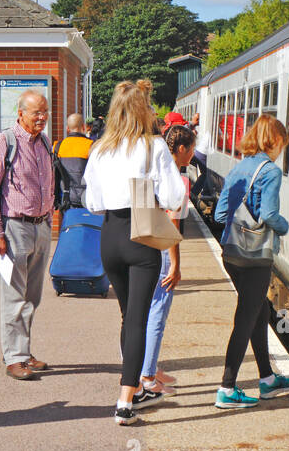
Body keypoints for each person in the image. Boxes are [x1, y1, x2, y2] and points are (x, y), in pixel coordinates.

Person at [84, 80, 186, 425]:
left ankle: (133, 387)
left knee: (129, 316)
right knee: (139, 320)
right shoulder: (154, 146)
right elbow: (174, 199)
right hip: (140, 234)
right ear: (144, 110)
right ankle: (126, 400)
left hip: (109, 235)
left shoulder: (99, 149)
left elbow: (92, 202)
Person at [213, 114, 289, 409]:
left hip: (232, 253)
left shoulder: (240, 167)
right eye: (282, 145)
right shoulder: (270, 171)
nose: (281, 151)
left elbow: (220, 215)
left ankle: (266, 378)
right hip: (255, 258)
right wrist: (287, 227)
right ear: (274, 141)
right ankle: (227, 388)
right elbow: (269, 214)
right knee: (245, 319)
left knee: (259, 309)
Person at [0, 91, 55, 381]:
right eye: (36, 113)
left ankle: (23, 351)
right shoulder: (3, 142)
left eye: (45, 112)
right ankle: (14, 358)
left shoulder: (45, 143)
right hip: (13, 229)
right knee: (14, 296)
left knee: (32, 297)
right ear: (20, 113)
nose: (42, 118)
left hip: (41, 227)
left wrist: (48, 219)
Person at [140, 124, 196, 394]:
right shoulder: (175, 176)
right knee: (157, 315)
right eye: (192, 149)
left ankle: (147, 368)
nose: (193, 155)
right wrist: (175, 263)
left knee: (141, 313)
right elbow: (172, 221)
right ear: (181, 149)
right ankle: (148, 376)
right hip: (162, 248)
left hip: (145, 243)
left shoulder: (154, 169)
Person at [55, 112, 92, 210]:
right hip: (87, 199)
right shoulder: (92, 146)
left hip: (66, 200)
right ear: (84, 127)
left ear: (67, 128)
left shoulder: (58, 146)